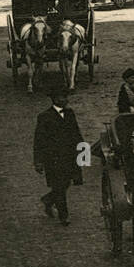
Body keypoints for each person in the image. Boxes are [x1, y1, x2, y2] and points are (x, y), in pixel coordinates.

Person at [33, 92, 84, 226]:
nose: (65, 100)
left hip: (69, 156)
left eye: (66, 97)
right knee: (59, 186)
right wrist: (38, 161)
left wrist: (83, 155)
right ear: (54, 99)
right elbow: (38, 140)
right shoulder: (44, 117)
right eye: (62, 97)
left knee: (66, 183)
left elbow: (77, 134)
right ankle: (64, 216)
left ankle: (48, 200)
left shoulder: (70, 114)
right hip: (52, 158)